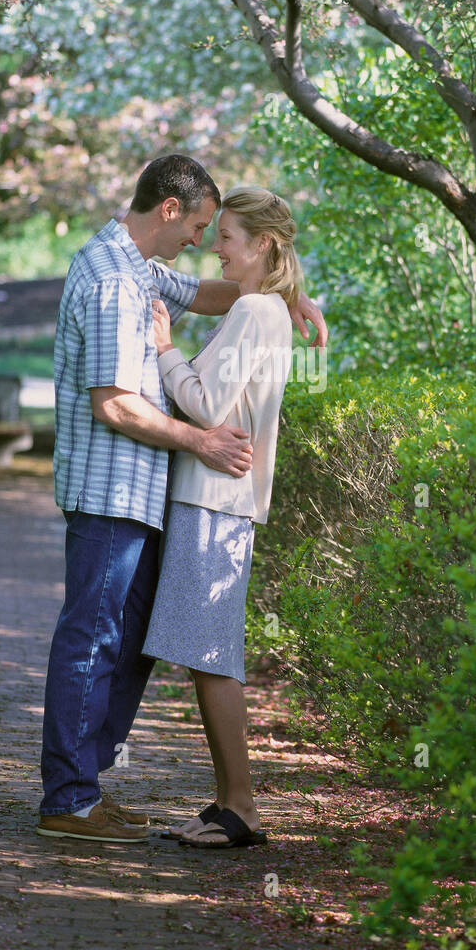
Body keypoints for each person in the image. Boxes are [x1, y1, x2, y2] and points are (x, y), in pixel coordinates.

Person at [37, 156, 325, 844]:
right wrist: (195, 440)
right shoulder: (112, 279)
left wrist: (284, 296)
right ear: (169, 210)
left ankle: (84, 788)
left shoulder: (141, 270)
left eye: (220, 232)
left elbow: (207, 293)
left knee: (130, 645)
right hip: (112, 491)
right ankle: (71, 800)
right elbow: (115, 404)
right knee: (96, 640)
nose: (203, 240)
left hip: (154, 495)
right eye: (201, 225)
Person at [141, 186, 304, 850]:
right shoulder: (266, 309)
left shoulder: (258, 312)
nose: (217, 247)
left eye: (228, 237)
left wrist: (164, 347)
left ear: (262, 244)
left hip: (214, 498)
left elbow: (207, 406)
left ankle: (242, 809)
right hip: (216, 499)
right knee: (206, 655)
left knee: (212, 656)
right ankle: (228, 802)